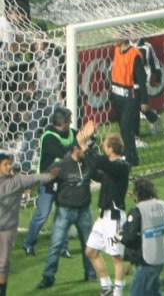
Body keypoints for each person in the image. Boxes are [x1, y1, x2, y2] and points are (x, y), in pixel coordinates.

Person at [39, 119, 98, 290]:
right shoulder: (61, 165)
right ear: (75, 149)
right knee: (56, 245)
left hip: (84, 210)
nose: (86, 151)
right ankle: (48, 277)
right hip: (64, 211)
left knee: (88, 244)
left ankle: (91, 273)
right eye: (83, 148)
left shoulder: (88, 163)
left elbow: (100, 174)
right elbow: (46, 178)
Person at [0, 152, 57, 296]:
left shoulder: (17, 181)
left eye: (9, 164)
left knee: (3, 263)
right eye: (5, 164)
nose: (9, 167)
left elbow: (35, 178)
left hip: (8, 229)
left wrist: (51, 176)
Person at [22, 108, 74, 257]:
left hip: (64, 180)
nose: (71, 122)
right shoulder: (48, 137)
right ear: (62, 123)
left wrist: (89, 136)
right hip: (48, 180)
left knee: (63, 214)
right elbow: (64, 152)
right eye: (69, 120)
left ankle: (63, 248)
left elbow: (81, 141)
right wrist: (80, 143)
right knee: (43, 214)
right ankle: (29, 243)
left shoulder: (70, 133)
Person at [84, 134, 132, 296]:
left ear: (111, 149)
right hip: (103, 217)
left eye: (105, 146)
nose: (104, 149)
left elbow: (100, 162)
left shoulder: (121, 166)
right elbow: (96, 170)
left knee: (116, 257)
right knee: (91, 251)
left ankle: (117, 293)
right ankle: (106, 287)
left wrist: (86, 147)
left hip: (114, 218)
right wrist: (86, 151)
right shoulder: (112, 167)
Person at [119, 177, 164, 296]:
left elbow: (129, 238)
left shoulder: (138, 210)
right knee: (154, 293)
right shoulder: (163, 205)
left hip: (146, 260)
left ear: (137, 193)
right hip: (161, 256)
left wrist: (119, 237)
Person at [107, 35, 146, 168]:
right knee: (123, 129)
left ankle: (129, 157)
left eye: (116, 36)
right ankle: (132, 157)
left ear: (124, 38)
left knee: (126, 127)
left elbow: (141, 78)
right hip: (117, 96)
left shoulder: (134, 55)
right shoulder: (117, 51)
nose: (113, 38)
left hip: (130, 97)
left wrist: (144, 100)